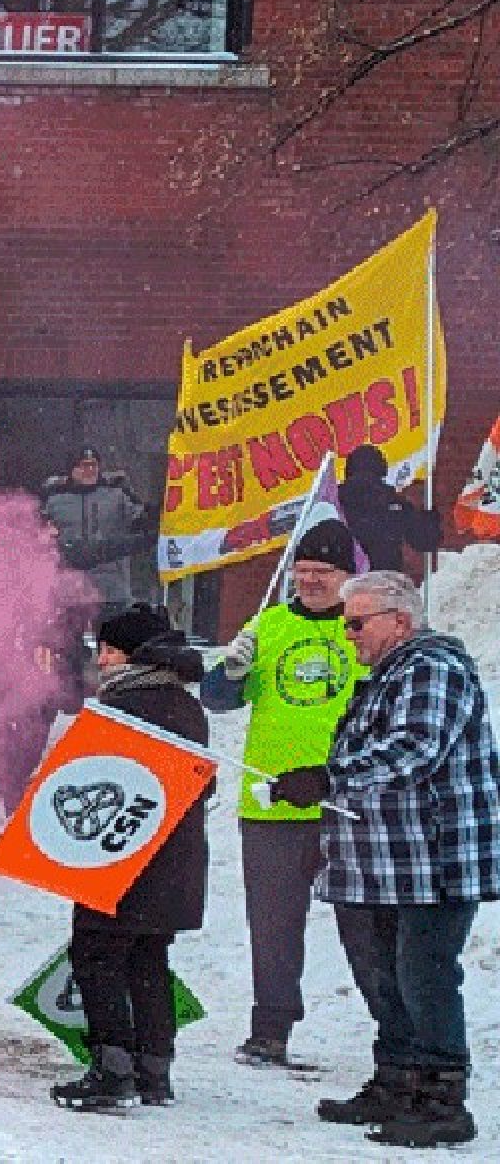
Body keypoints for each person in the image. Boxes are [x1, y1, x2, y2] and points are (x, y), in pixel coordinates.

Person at [268, 570, 498, 1148]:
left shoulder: (431, 667)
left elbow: (414, 748)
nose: (347, 635)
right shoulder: (388, 674)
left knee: (423, 974)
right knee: (386, 975)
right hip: (389, 862)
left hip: (435, 857)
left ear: (400, 620)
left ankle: (442, 1097)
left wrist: (327, 779)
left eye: (356, 622)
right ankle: (398, 1080)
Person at [200, 519, 361, 1069]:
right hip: (271, 801)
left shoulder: (364, 628)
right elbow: (218, 701)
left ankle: (398, 1038)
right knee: (273, 926)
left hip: (351, 805)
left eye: (325, 571)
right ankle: (270, 1028)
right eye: (304, 569)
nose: (311, 580)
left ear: (349, 574)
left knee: (369, 929)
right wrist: (230, 670)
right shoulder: (268, 625)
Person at [50, 605, 211, 1112]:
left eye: (109, 650)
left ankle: (111, 1070)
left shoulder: (122, 707)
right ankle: (154, 1073)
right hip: (175, 862)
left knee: (97, 958)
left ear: (131, 656)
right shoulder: (185, 706)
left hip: (117, 860)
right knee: (149, 961)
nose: (101, 660)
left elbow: (91, 784)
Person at [41, 446, 149, 614]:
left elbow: (140, 521)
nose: (90, 470)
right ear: (72, 469)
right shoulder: (55, 501)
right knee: (68, 639)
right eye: (84, 465)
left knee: (111, 638)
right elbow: (41, 536)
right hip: (69, 591)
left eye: (94, 465)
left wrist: (141, 505)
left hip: (111, 590)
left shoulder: (116, 495)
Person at [337, 445, 442, 575]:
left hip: (342, 583)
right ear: (382, 469)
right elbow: (424, 541)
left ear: (348, 470)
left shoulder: (332, 502)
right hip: (383, 582)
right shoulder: (394, 501)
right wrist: (429, 515)